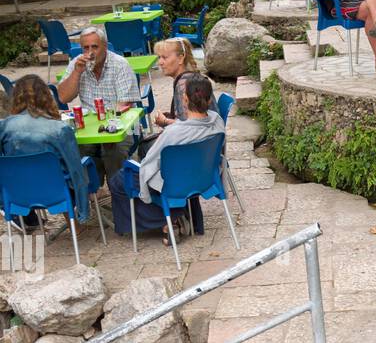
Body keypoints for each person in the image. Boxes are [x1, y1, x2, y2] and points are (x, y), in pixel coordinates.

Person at [108, 74, 224, 244]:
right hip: (204, 178)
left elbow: (148, 164)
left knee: (119, 179)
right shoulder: (217, 123)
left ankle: (170, 217)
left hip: (174, 185)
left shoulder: (173, 133)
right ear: (209, 99)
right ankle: (176, 217)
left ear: (184, 99)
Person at [0, 74, 91, 220]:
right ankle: (75, 224)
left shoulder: (4, 127)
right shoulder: (59, 129)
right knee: (73, 168)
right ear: (46, 97)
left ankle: (27, 219)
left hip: (18, 193)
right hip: (57, 192)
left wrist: (3, 203)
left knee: (16, 168)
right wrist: (83, 211)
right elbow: (76, 172)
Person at [56, 24, 139, 185]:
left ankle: (120, 192)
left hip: (120, 126)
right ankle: (89, 191)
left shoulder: (119, 64)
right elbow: (64, 97)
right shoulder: (76, 64)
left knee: (113, 150)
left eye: (95, 47)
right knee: (73, 150)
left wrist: (108, 129)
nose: (90, 52)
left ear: (105, 46)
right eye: (85, 48)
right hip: (88, 128)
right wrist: (77, 72)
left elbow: (124, 104)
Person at [152, 37, 200, 129]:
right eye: (159, 57)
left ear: (181, 58)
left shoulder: (185, 85)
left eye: (164, 57)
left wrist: (165, 121)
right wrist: (170, 115)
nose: (160, 62)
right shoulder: (188, 78)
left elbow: (191, 127)